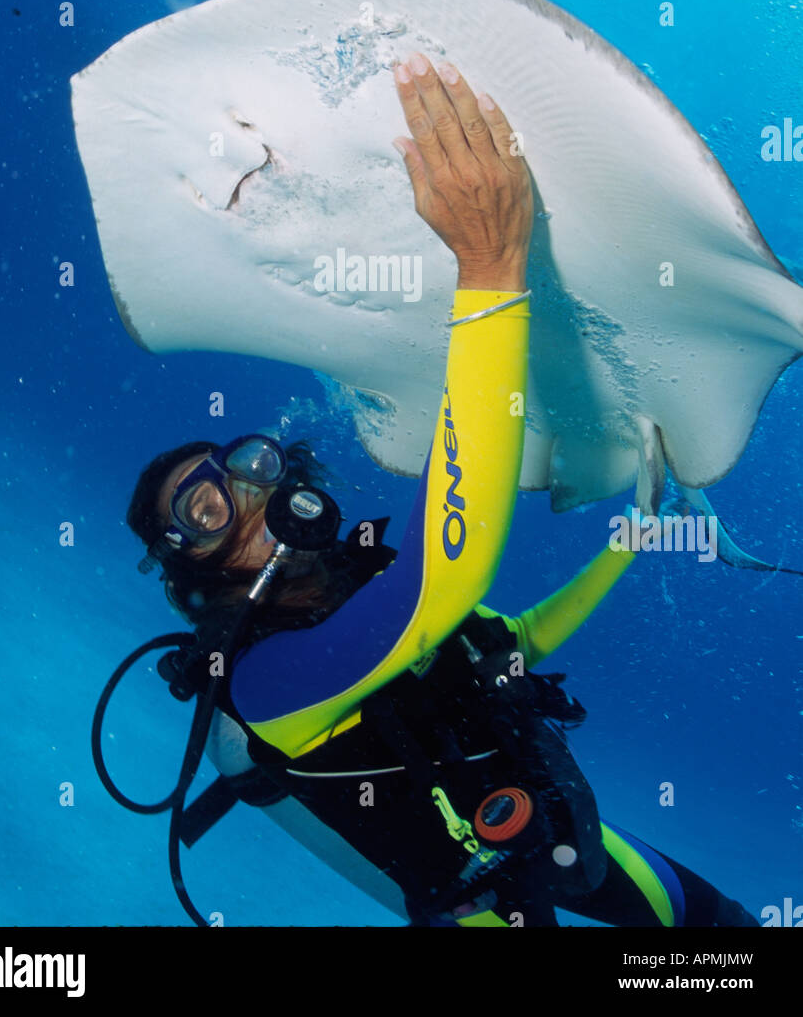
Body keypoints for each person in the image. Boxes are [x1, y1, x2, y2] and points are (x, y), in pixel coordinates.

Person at [126, 54, 758, 928]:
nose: (243, 494)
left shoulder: (364, 581)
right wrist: (489, 266)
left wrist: (632, 537)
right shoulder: (263, 681)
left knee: (725, 931)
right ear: (190, 565)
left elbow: (509, 641)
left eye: (249, 467)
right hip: (476, 904)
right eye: (203, 510)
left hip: (553, 832)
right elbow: (439, 589)